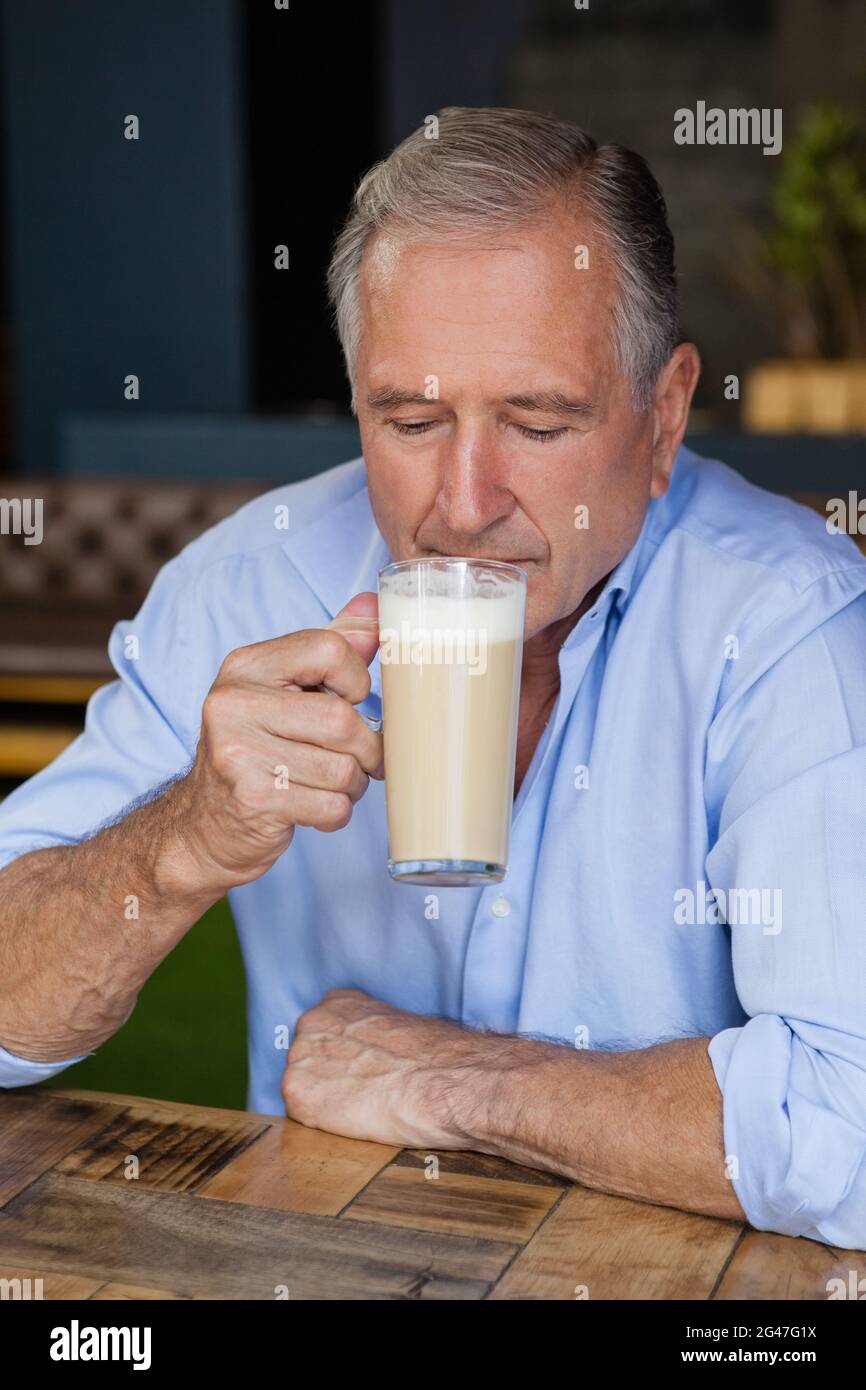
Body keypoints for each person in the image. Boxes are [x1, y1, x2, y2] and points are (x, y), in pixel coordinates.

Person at [2, 107, 865, 1249]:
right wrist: (177, 842)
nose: (460, 506)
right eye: (410, 419)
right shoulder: (245, 587)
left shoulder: (783, 624)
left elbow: (844, 1123)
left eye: (537, 423)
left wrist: (456, 1083)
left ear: (661, 419)